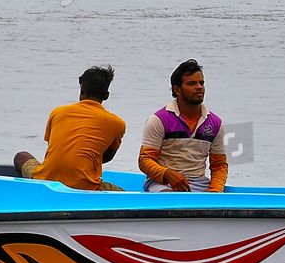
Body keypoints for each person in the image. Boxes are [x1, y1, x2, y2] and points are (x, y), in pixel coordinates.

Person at [14, 66, 127, 191]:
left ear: (81, 89)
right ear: (106, 96)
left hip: (45, 178)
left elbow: (55, 148)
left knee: (21, 156)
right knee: (122, 193)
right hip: (86, 186)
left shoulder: (58, 112)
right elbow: (106, 158)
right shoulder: (117, 123)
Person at [139, 58, 229, 192]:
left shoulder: (215, 123)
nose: (199, 87)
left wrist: (214, 193)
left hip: (199, 183)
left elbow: (219, 166)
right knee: (168, 199)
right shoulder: (159, 120)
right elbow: (145, 160)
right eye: (192, 83)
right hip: (163, 183)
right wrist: (168, 174)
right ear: (177, 89)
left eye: (201, 83)